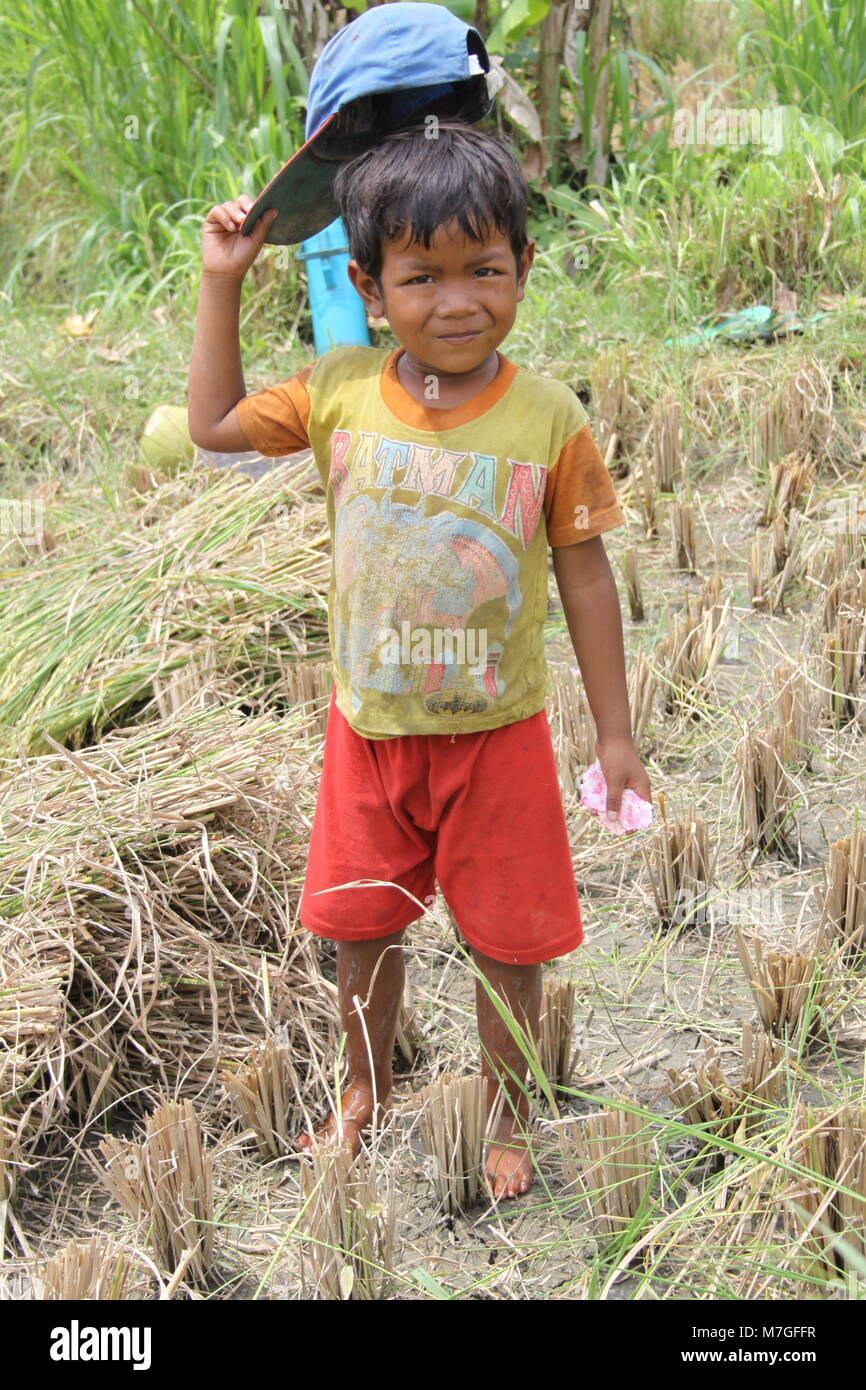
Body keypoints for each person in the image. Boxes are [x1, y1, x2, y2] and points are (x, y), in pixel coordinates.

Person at [188, 122, 653, 1201]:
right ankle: (362, 1093)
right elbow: (210, 422)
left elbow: (584, 576)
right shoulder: (338, 392)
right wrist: (223, 282)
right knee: (362, 934)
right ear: (366, 283)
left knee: (507, 948)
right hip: (370, 734)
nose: (456, 302)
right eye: (422, 276)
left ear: (523, 269)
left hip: (497, 740)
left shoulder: (548, 419)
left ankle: (503, 1116)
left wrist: (616, 733)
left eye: (484, 270)